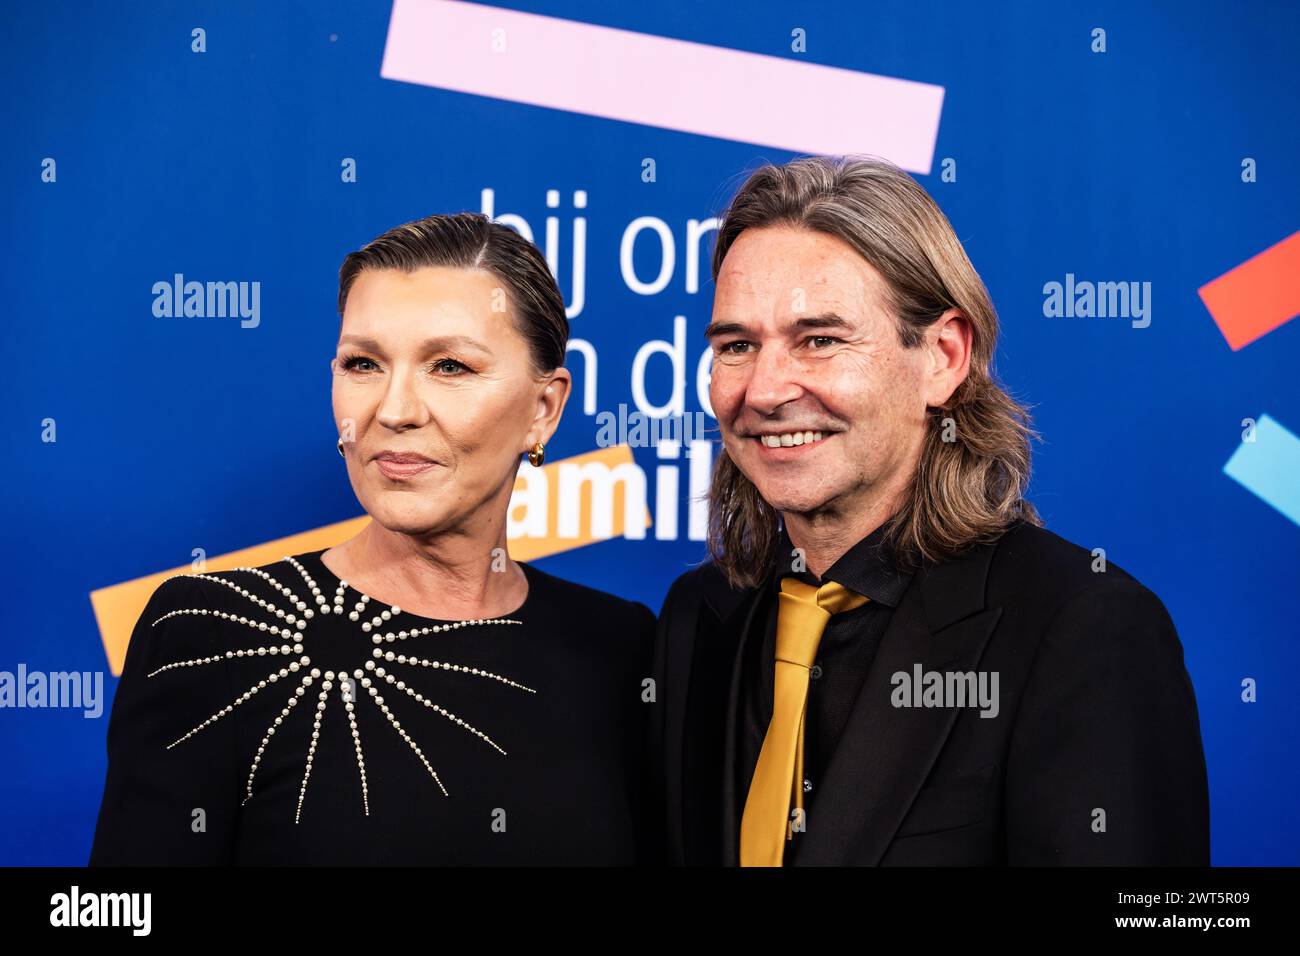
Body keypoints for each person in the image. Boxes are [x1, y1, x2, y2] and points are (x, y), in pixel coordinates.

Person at [649, 155, 1210, 866]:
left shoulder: (1083, 630)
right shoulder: (699, 619)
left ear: (943, 356)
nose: (763, 389)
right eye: (736, 346)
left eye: (819, 340)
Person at [90, 212, 655, 865]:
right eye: (363, 363)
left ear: (543, 409)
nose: (393, 410)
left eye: (449, 366)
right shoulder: (208, 635)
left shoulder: (620, 650)